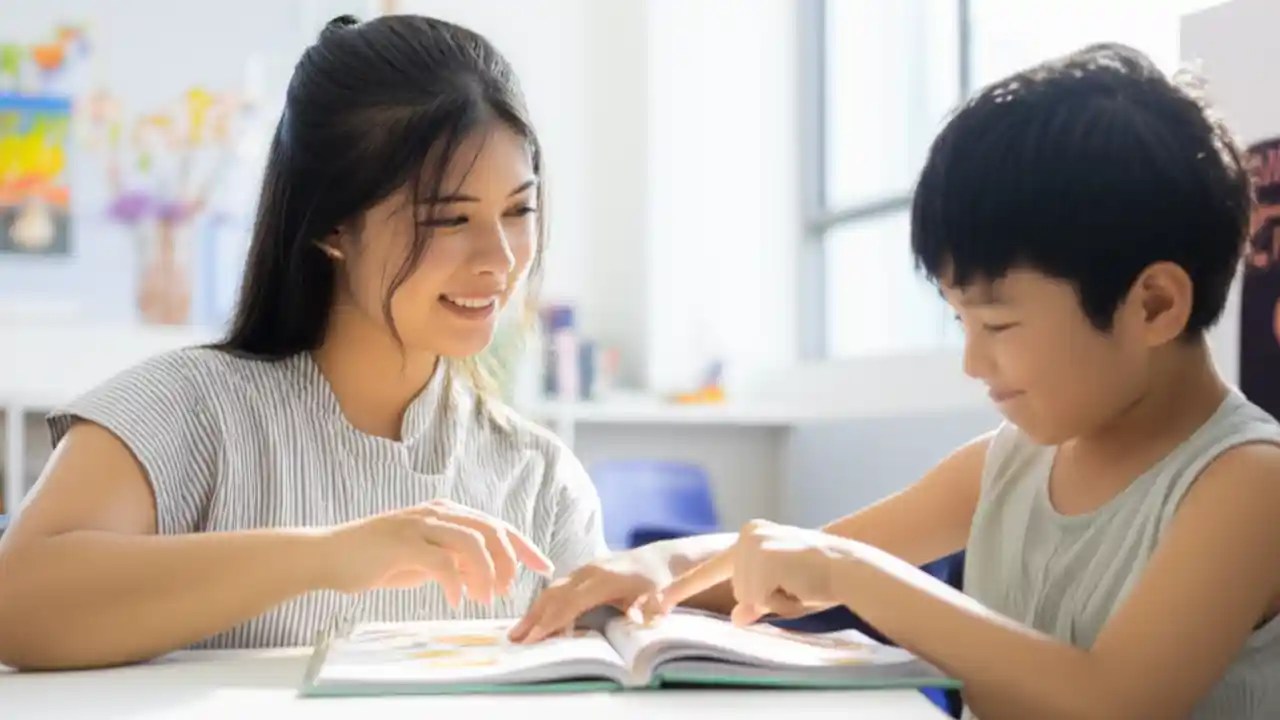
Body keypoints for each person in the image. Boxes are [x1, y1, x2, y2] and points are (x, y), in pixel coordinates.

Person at [513, 44, 1280, 719]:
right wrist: (656, 569)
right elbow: (805, 557)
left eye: (998, 325)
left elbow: (1110, 703)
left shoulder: (1248, 484)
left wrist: (855, 577)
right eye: (959, 321)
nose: (973, 362)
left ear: (1153, 305)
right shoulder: (1009, 464)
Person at [0, 14, 605, 670]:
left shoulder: (539, 476)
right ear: (332, 226)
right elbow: (17, 606)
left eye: (518, 210)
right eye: (449, 219)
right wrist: (328, 556)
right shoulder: (186, 410)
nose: (500, 259)